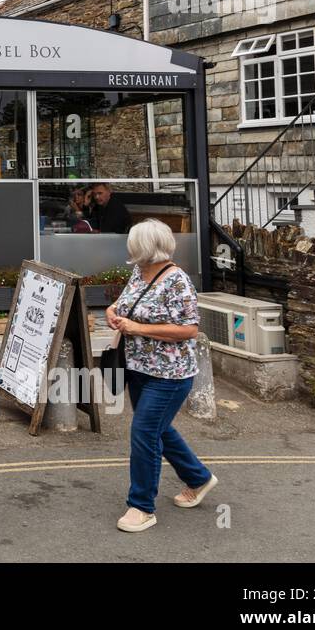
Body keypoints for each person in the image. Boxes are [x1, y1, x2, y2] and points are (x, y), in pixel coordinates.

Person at [107, 219, 217, 532]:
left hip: (169, 376)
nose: (129, 248)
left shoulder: (177, 280)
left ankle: (141, 506)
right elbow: (124, 303)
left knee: (144, 432)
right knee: (158, 429)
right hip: (138, 369)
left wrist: (138, 328)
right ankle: (199, 478)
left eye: (132, 243)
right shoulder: (139, 271)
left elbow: (189, 330)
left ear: (142, 246)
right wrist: (113, 313)